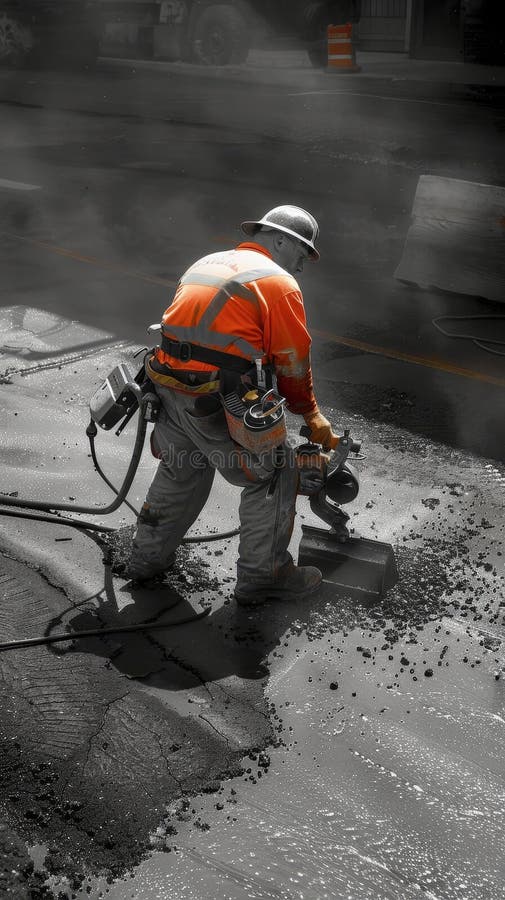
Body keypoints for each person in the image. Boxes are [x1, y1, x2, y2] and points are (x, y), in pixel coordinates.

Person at [126, 205, 339, 606]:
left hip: (168, 387)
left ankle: (145, 559)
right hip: (215, 398)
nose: (302, 267)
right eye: (301, 254)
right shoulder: (278, 282)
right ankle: (263, 576)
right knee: (274, 471)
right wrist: (309, 413)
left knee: (181, 468)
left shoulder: (207, 262)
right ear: (281, 240)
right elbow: (292, 358)